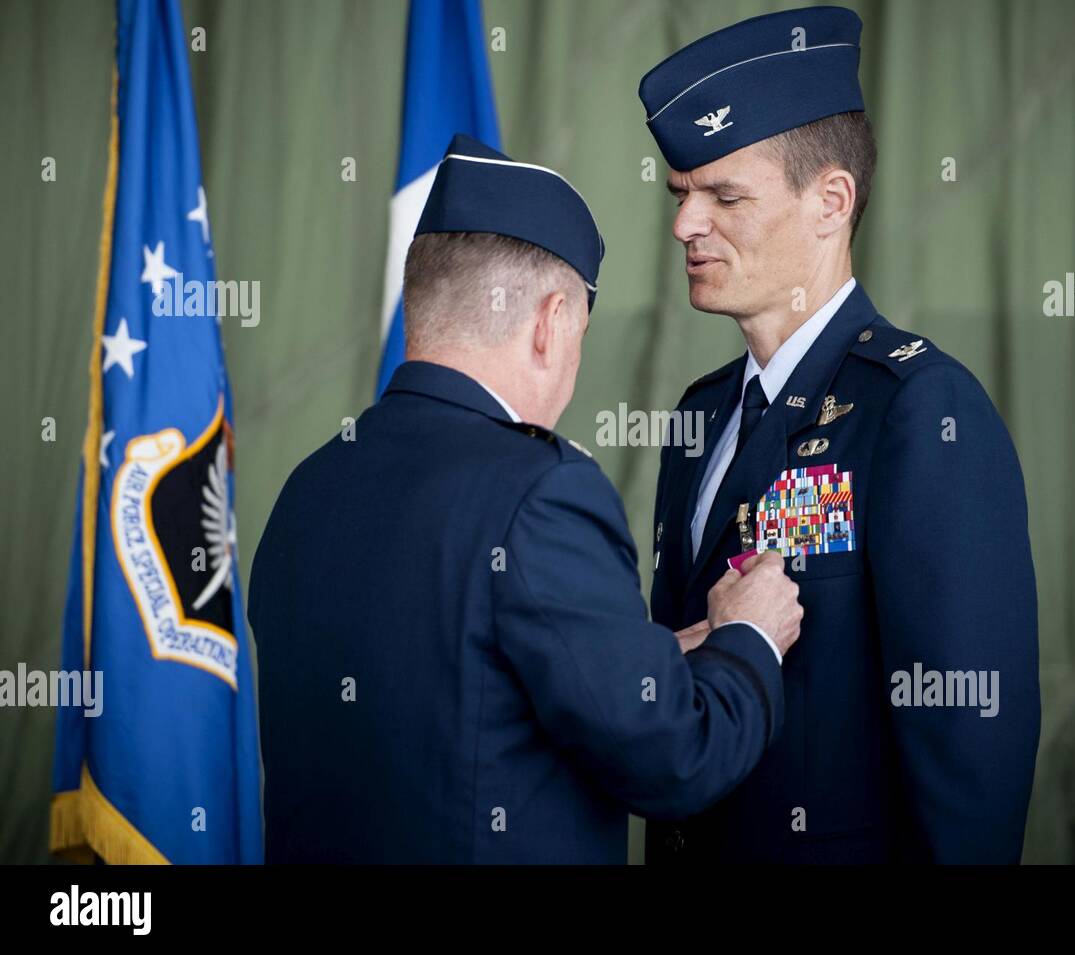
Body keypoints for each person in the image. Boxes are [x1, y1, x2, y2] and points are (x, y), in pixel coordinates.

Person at [248, 134, 802, 863]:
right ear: (549, 324)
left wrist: (643, 656)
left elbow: (453, 683)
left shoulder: (308, 488)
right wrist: (748, 638)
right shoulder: (543, 491)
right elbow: (676, 756)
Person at [638, 6, 1040, 863]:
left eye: (724, 195)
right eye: (680, 197)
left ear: (831, 202)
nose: (684, 226)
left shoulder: (921, 411)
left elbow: (970, 741)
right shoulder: (699, 414)